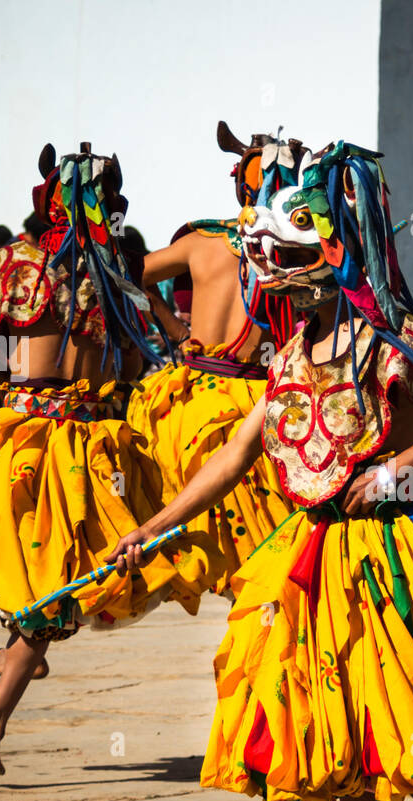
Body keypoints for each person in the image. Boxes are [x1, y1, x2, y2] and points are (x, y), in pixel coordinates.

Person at [110, 141, 413, 801]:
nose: (280, 287)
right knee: (341, 723)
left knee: (396, 713)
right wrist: (153, 525)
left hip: (384, 548)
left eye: (291, 266)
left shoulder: (394, 336)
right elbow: (235, 455)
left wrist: (399, 465)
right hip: (309, 549)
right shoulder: (293, 352)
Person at [0, 144, 223, 775]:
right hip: (80, 451)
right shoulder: (116, 282)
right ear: (110, 205)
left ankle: (11, 660)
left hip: (11, 439)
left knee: (32, 567)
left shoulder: (6, 265)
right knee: (58, 589)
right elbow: (132, 368)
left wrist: (6, 361)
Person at [125, 124, 307, 597]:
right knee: (269, 534)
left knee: (214, 531)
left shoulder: (201, 242)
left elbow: (129, 276)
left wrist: (174, 327)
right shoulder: (298, 251)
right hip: (258, 402)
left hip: (192, 403)